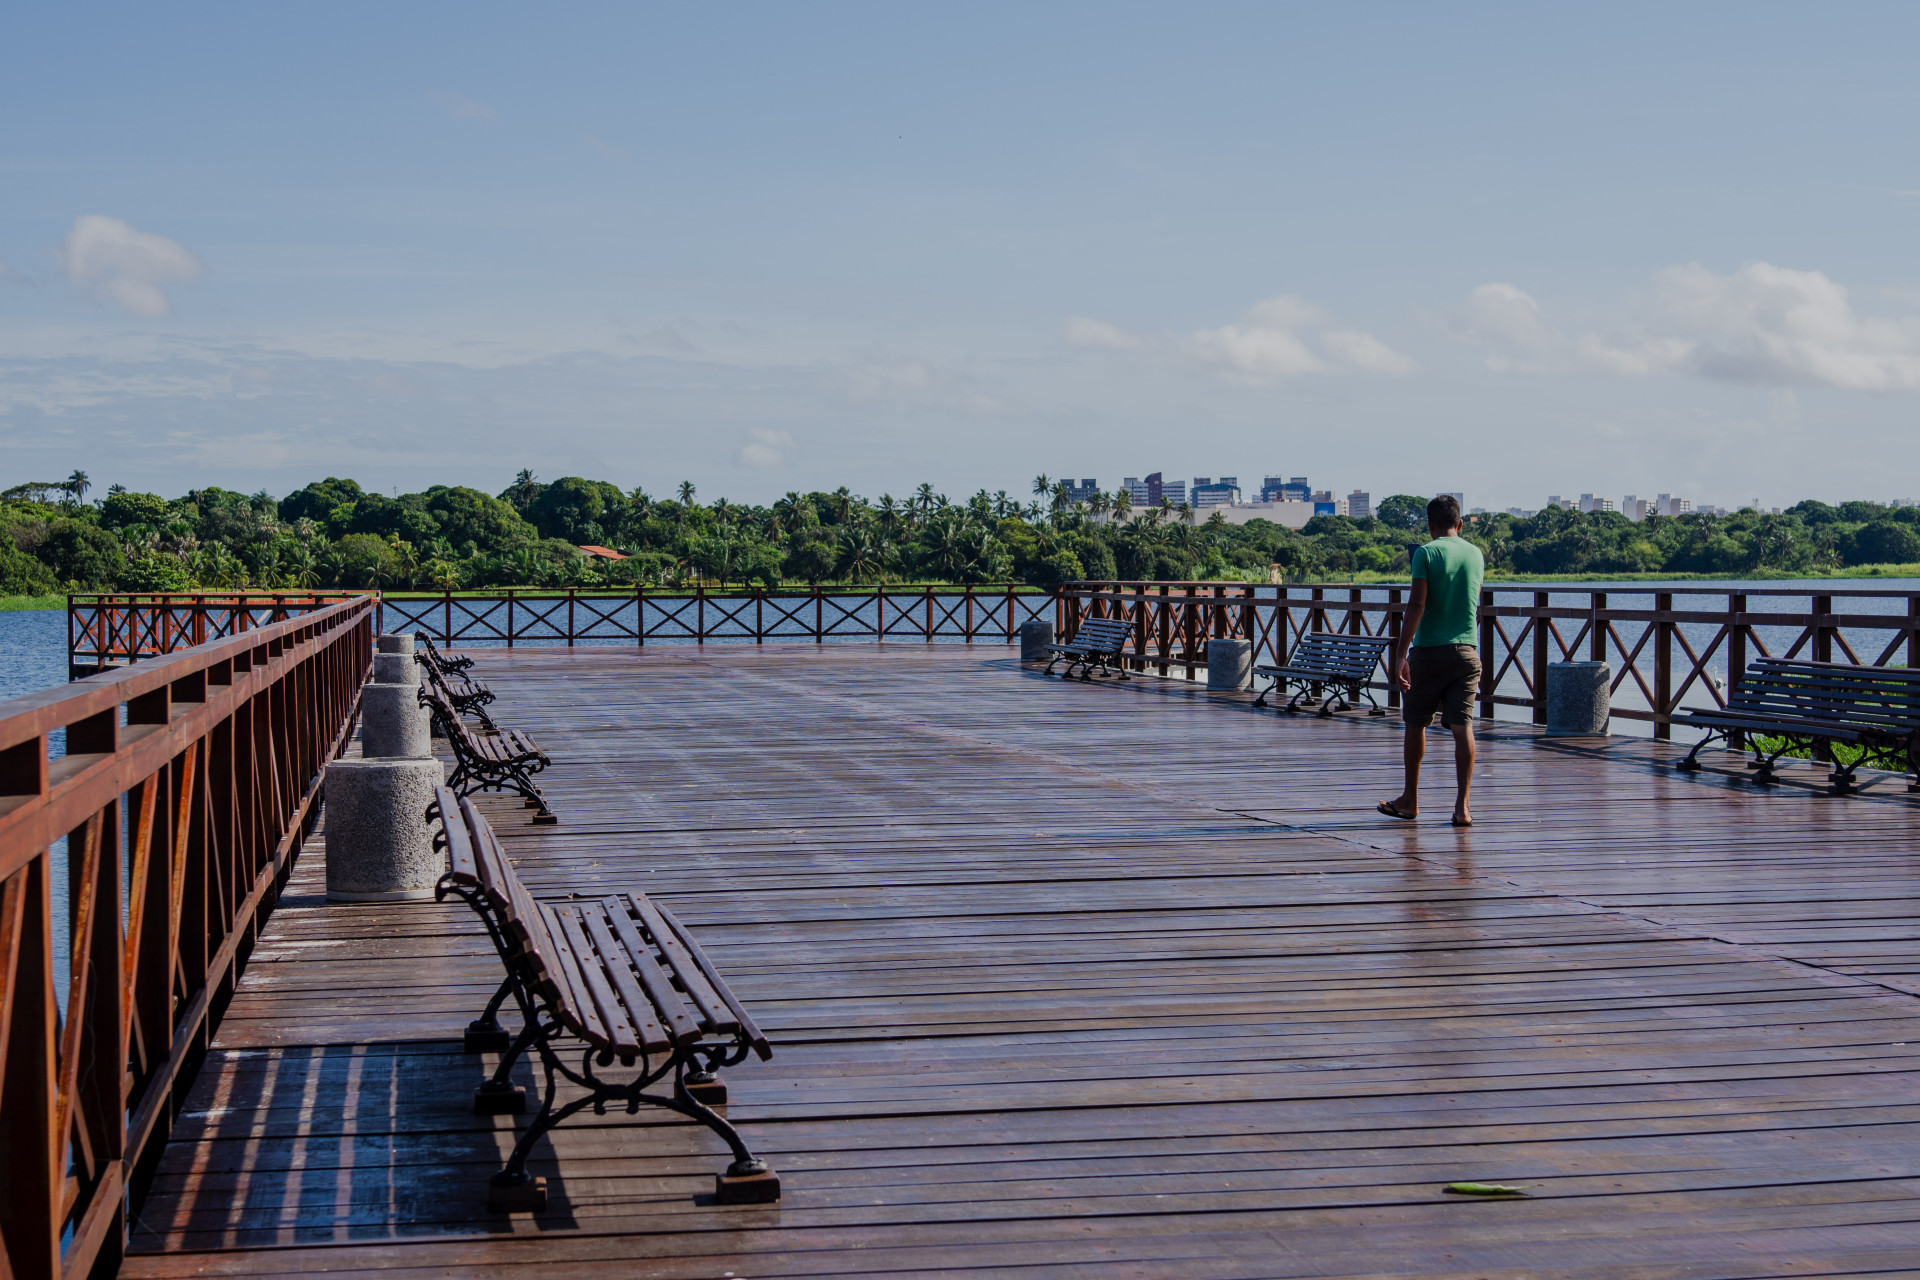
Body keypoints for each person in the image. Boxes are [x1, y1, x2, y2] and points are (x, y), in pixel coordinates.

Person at [1378, 494, 1484, 827]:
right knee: (1463, 726)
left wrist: (1400, 654)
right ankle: (1462, 808)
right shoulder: (1476, 554)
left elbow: (1417, 605)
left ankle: (1410, 800)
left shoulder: (1426, 552)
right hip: (1468, 651)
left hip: (1429, 651)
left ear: (1430, 525)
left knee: (1415, 722)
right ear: (1460, 523)